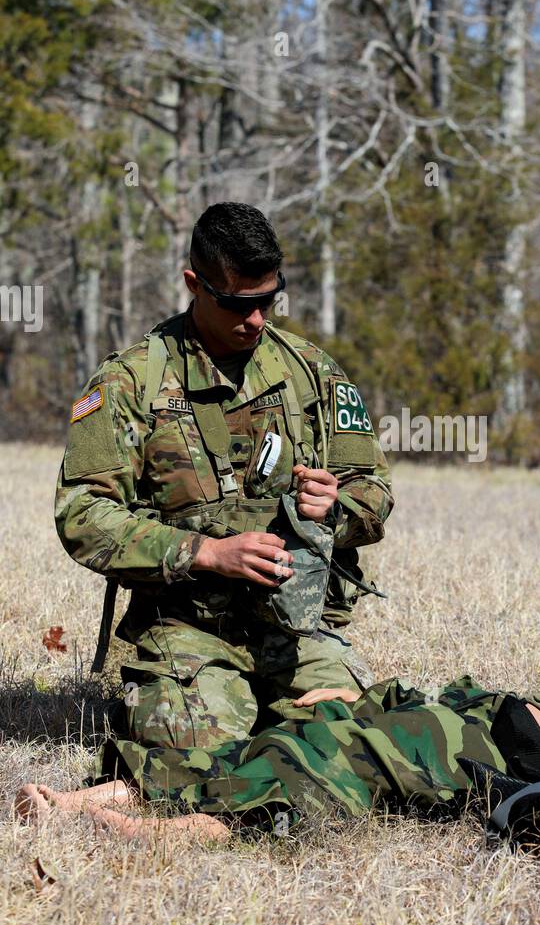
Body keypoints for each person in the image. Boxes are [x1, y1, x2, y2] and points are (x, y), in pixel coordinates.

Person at [54, 203, 393, 759]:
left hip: (294, 631)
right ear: (194, 283)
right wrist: (206, 553)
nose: (257, 319)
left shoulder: (309, 372)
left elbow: (373, 491)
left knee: (362, 744)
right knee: (195, 753)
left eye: (269, 300)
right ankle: (173, 706)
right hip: (187, 629)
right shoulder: (129, 381)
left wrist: (334, 507)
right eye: (239, 304)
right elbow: (82, 515)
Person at [15, 676, 540, 841]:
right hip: (467, 723)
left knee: (315, 775)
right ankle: (93, 799)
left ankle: (153, 835)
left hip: (489, 748)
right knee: (286, 743)